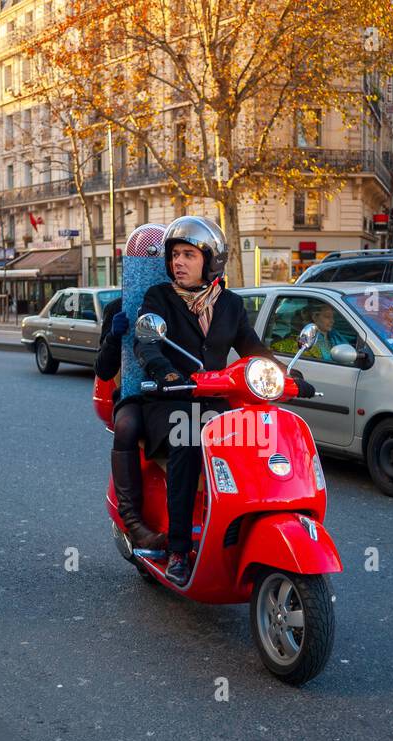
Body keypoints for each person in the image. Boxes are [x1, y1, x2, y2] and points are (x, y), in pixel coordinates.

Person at [135, 216, 314, 586]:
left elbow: (251, 347)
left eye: (187, 254)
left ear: (210, 260)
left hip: (214, 402)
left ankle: (247, 524)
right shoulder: (160, 298)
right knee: (187, 441)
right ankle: (180, 550)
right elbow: (147, 343)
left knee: (258, 434)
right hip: (170, 401)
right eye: (174, 255)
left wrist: (285, 374)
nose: (177, 263)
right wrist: (166, 374)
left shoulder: (230, 304)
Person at [94, 296, 165, 551]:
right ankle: (133, 521)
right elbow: (103, 369)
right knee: (126, 426)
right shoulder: (117, 307)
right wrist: (114, 336)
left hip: (183, 392)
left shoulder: (176, 299)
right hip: (136, 395)